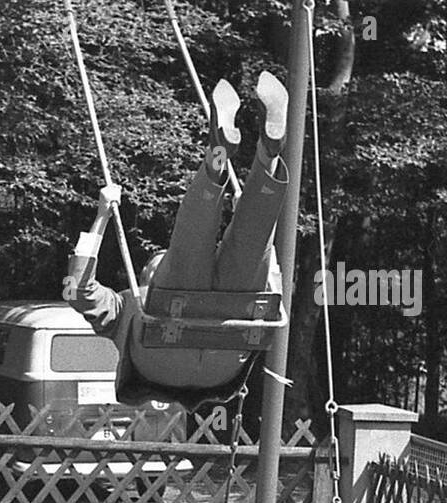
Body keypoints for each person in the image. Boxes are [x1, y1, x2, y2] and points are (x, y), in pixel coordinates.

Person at [66, 72, 289, 412]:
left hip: (185, 363)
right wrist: (100, 217)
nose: (159, 263)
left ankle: (260, 154)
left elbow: (78, 292)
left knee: (234, 246)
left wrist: (102, 217)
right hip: (219, 362)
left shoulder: (124, 309)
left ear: (147, 278)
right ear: (147, 276)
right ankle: (258, 158)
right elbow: (75, 291)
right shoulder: (129, 304)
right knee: (228, 246)